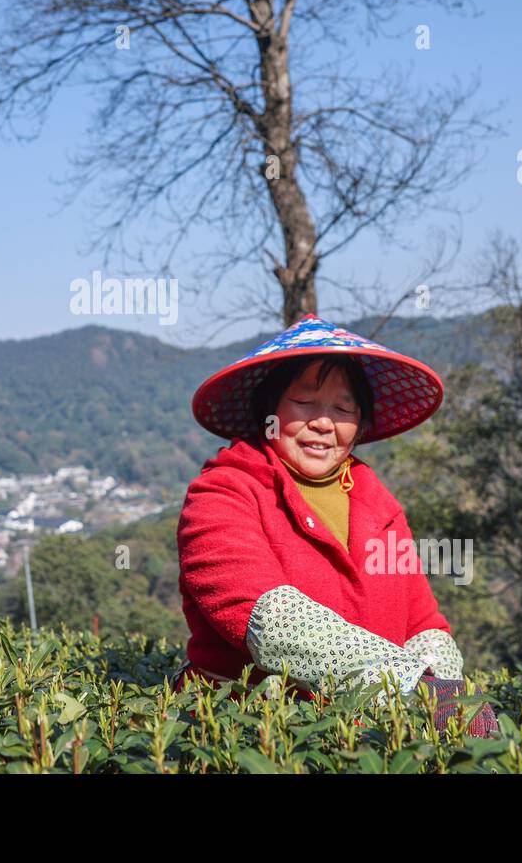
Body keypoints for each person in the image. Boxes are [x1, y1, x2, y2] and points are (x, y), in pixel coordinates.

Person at [176, 314, 499, 736]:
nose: (324, 422)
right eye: (304, 402)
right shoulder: (223, 493)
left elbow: (423, 625)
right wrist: (409, 684)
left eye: (343, 408)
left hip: (369, 736)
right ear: (269, 409)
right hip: (250, 736)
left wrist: (441, 692)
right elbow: (270, 622)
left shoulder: (379, 505)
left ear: (360, 422)